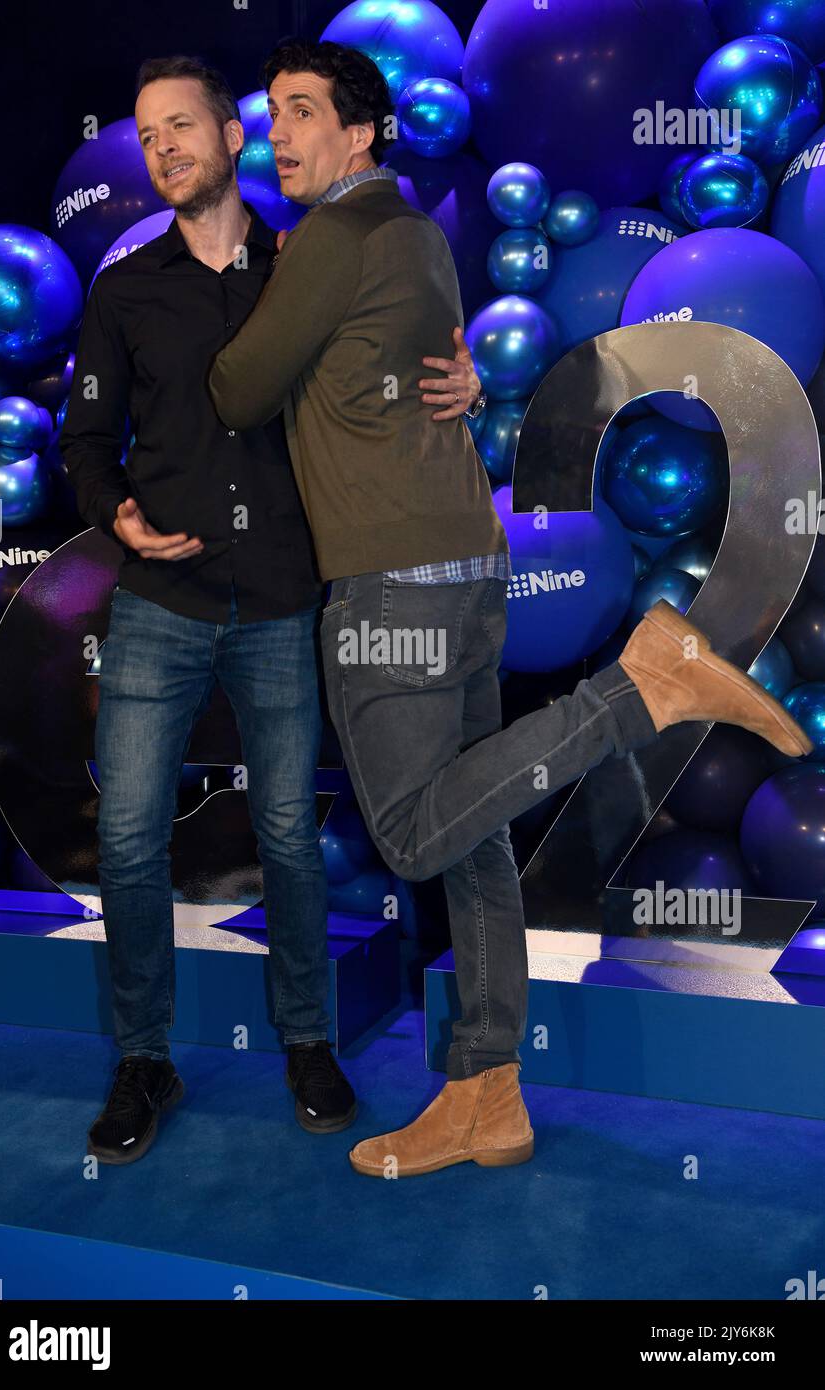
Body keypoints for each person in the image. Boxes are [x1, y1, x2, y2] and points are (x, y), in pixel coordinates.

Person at [209, 38, 812, 1180]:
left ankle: (639, 686)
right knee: (473, 834)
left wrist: (258, 276)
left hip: (394, 575)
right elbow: (399, 370)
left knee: (408, 831)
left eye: (300, 112)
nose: (276, 133)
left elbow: (237, 384)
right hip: (460, 563)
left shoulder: (332, 236)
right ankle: (486, 1097)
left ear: (360, 133)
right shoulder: (411, 232)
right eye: (270, 111)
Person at [60, 52, 481, 1165]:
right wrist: (120, 519)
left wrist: (460, 373)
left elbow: (403, 353)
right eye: (147, 136)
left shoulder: (304, 263)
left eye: (181, 128)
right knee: (129, 833)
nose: (162, 150)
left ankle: (306, 1040)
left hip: (287, 598)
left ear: (230, 139)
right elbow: (85, 444)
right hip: (157, 601)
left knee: (292, 834)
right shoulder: (122, 290)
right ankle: (142, 1058)